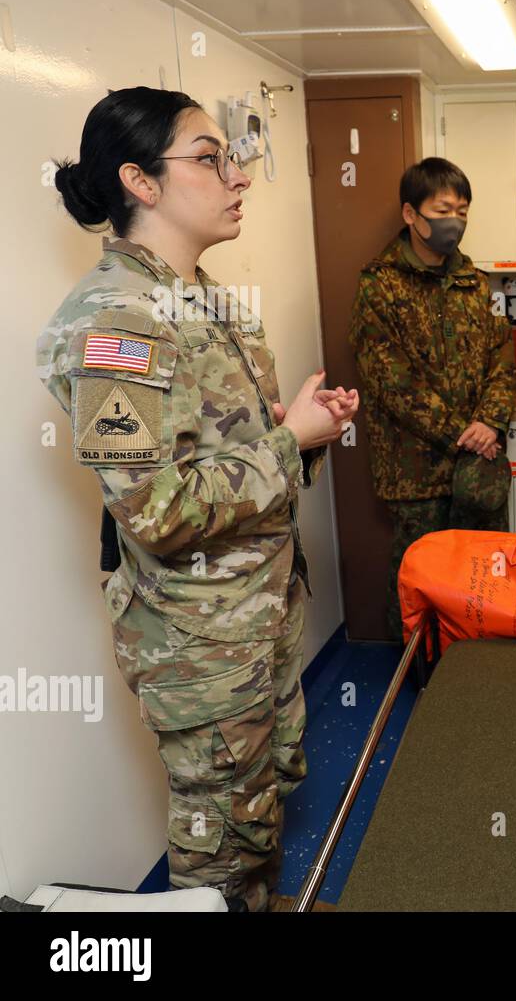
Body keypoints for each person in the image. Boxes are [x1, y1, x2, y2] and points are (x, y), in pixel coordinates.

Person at [36, 86, 357, 911]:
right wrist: (294, 442)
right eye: (209, 159)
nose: (236, 176)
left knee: (258, 810)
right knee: (218, 842)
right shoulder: (119, 323)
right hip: (202, 646)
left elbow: (229, 454)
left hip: (257, 617)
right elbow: (157, 510)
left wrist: (297, 429)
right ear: (140, 182)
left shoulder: (207, 300)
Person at [348, 157, 514, 641]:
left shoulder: (476, 283)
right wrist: (461, 434)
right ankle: (417, 676)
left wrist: (490, 421)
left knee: (484, 575)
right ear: (411, 214)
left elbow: (502, 357)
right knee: (421, 580)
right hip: (414, 472)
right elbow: (388, 378)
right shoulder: (379, 285)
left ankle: (480, 673)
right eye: (444, 210)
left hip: (478, 467)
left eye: (463, 211)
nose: (455, 222)